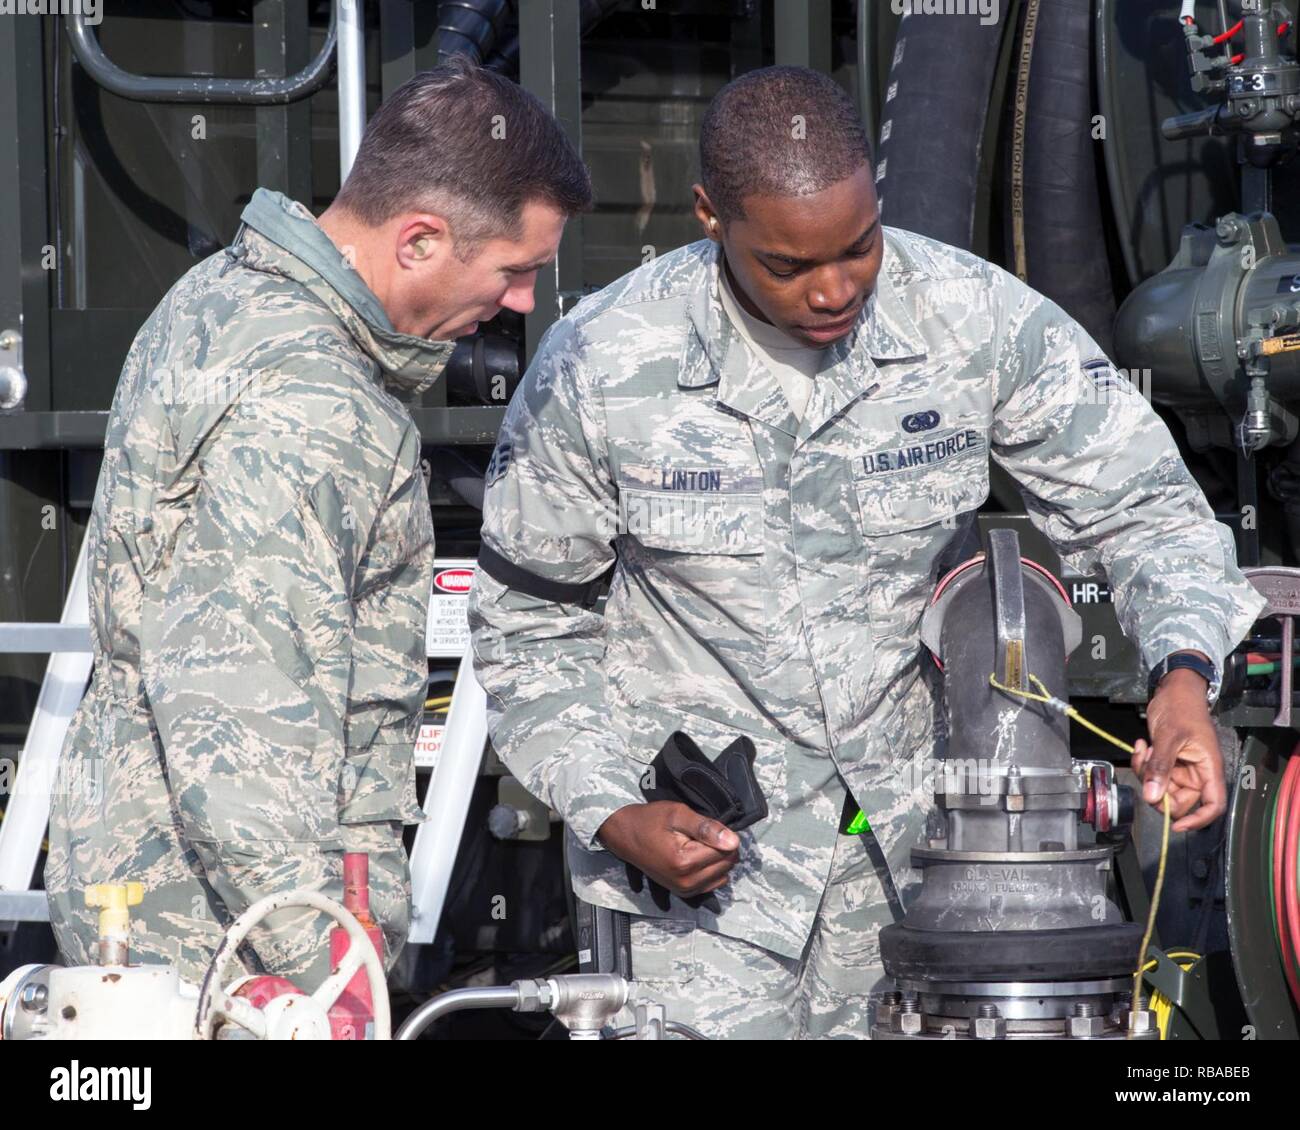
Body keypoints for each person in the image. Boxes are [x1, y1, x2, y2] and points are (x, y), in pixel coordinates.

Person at [466, 64, 1266, 1039]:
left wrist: (1182, 674)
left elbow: (1148, 511)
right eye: (789, 266)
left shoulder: (967, 318)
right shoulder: (601, 365)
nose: (835, 288)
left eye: (858, 247)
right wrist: (608, 808)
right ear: (711, 216)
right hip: (695, 890)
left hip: (908, 875)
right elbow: (526, 629)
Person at [45, 56, 593, 987]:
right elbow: (242, 707)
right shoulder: (314, 398)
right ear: (419, 240)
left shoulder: (219, 298)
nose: (523, 303)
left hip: (156, 909)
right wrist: (324, 965)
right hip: (241, 946)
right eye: (514, 270)